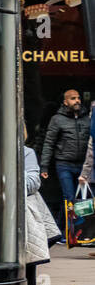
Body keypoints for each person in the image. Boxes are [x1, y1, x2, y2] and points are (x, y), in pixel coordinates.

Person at [41, 89, 90, 235]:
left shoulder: (86, 118)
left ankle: (62, 229)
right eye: (73, 98)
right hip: (64, 164)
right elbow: (49, 143)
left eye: (78, 98)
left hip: (83, 164)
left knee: (80, 198)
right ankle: (71, 233)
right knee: (69, 197)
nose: (77, 101)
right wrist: (44, 166)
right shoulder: (57, 119)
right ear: (65, 102)